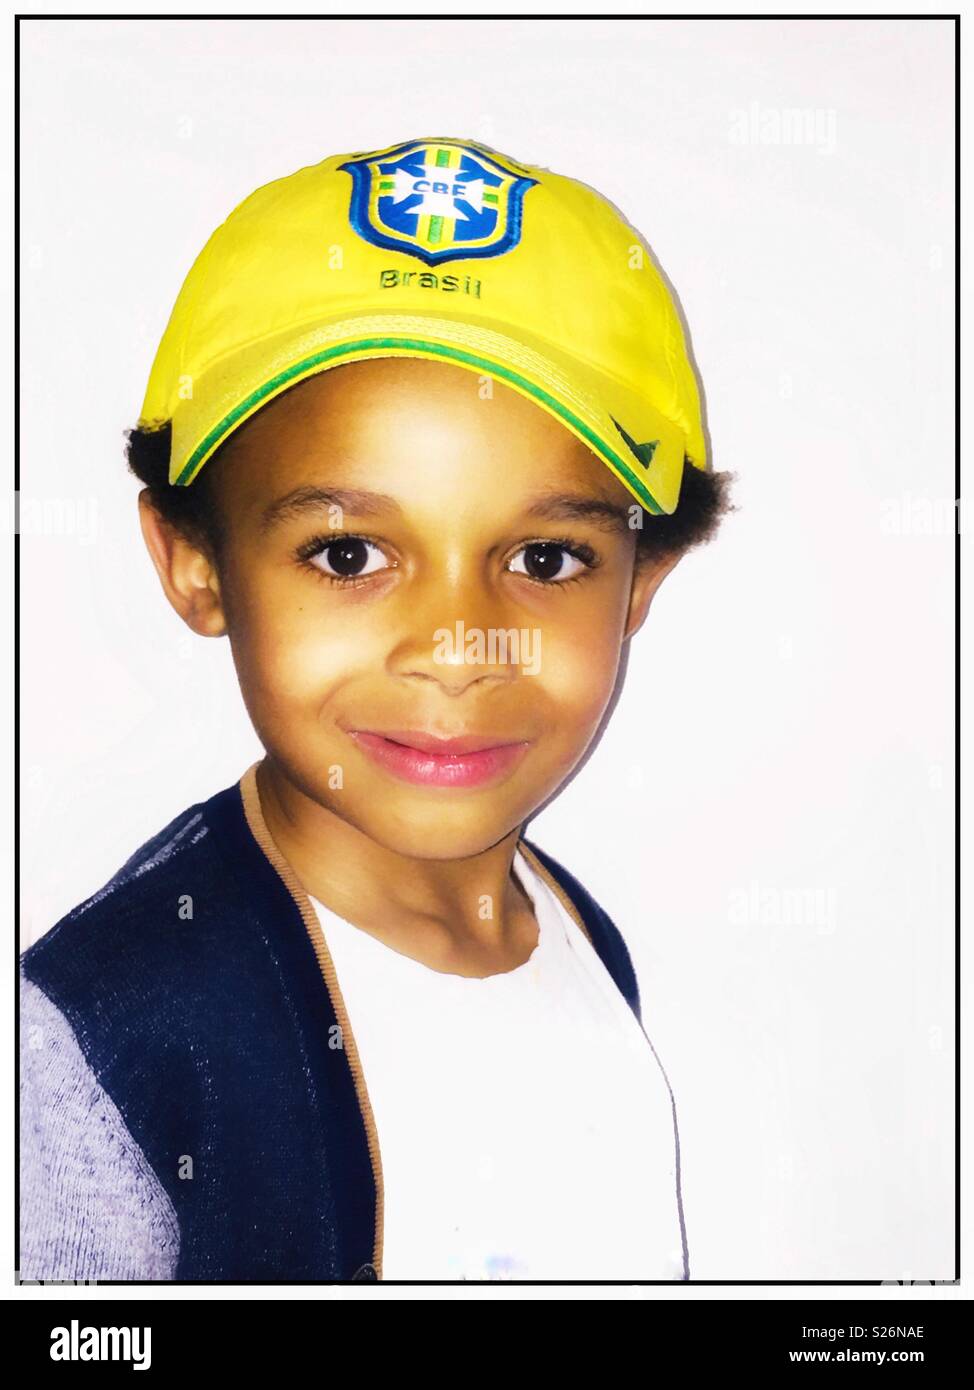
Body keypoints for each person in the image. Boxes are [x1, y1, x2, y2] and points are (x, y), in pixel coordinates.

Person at [20, 137, 734, 1282]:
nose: (456, 649)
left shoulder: (576, 936)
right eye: (348, 552)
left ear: (639, 583)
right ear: (196, 561)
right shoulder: (100, 1037)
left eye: (545, 558)